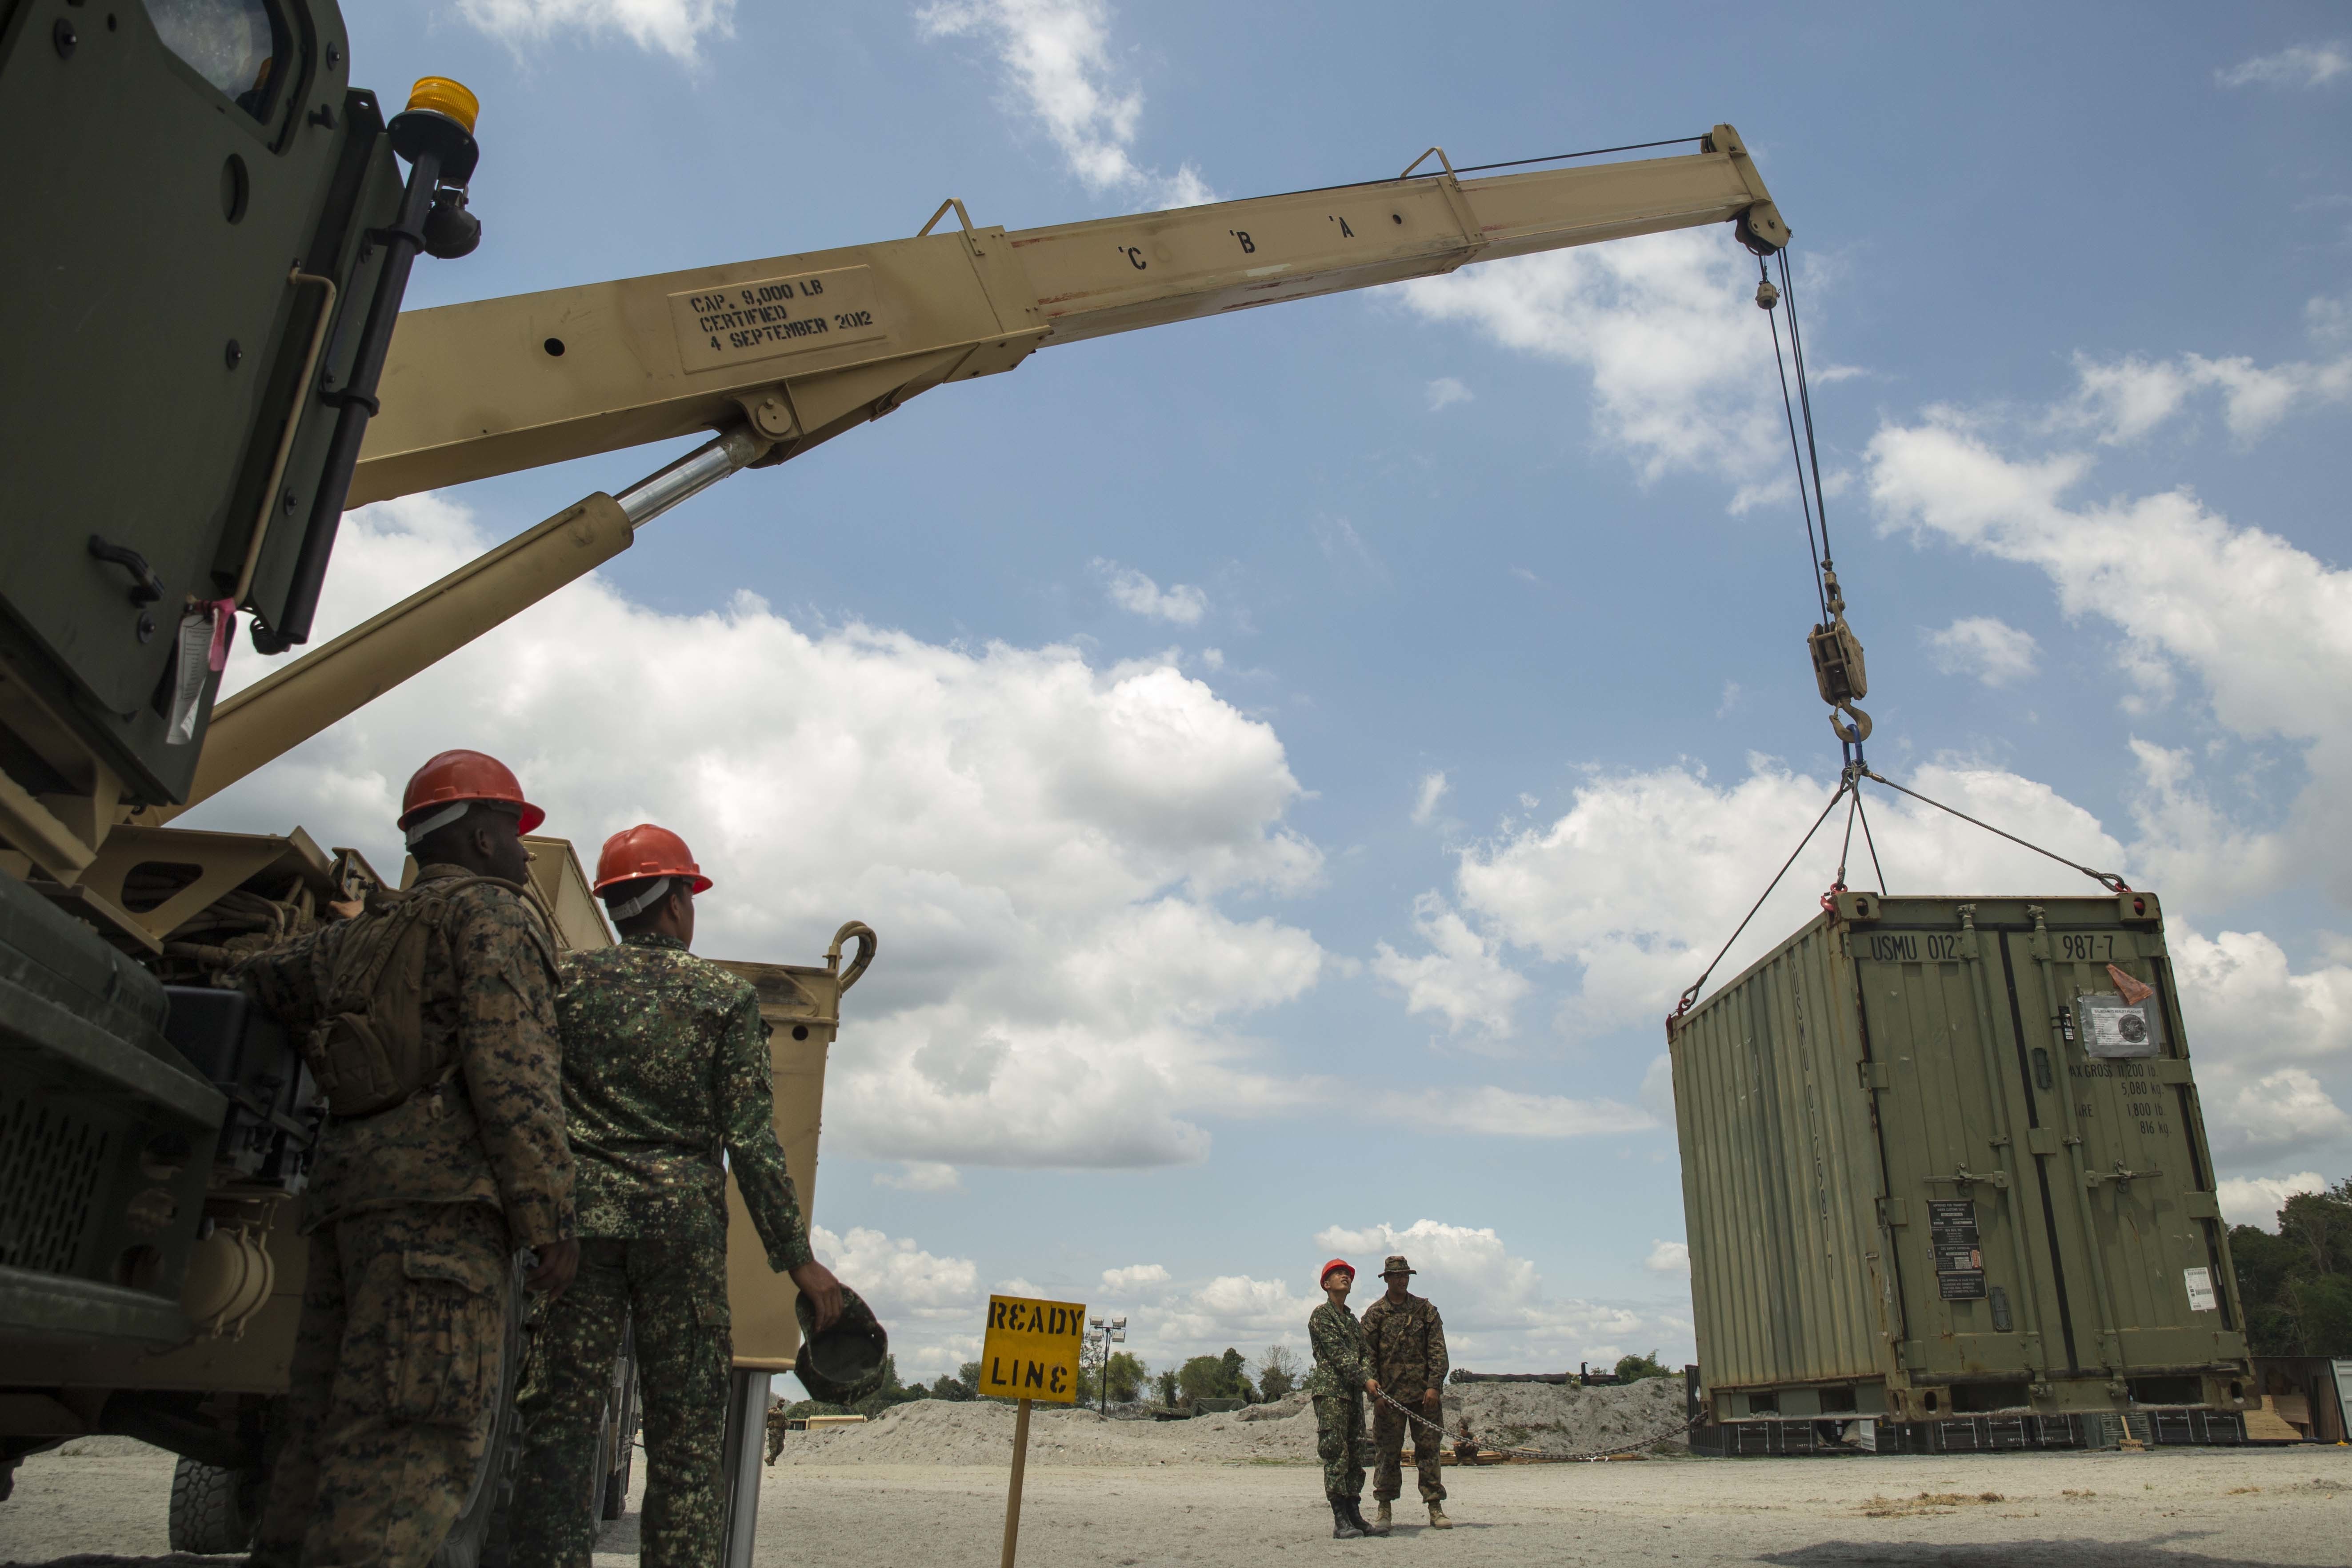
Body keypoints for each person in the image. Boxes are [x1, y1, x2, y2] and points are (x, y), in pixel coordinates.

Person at [241, 749, 577, 1568]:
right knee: (408, 1450)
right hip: (440, 1228)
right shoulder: (494, 917)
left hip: (349, 1210)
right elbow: (513, 1072)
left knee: (322, 1443)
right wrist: (549, 1219)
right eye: (512, 829)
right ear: (479, 839)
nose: (524, 851)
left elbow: (264, 978)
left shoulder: (356, 936)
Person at [512, 823, 844, 1568]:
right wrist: (800, 1263)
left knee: (558, 1435)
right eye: (690, 895)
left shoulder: (564, 982)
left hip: (575, 1236)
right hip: (680, 1237)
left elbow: (525, 1104)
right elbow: (752, 1143)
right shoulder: (721, 998)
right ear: (671, 905)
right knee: (687, 1443)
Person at [1360, 1253, 1452, 1530]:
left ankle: (1435, 1507)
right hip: (1389, 1399)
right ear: (1387, 1279)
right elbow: (1366, 1356)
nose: (1402, 1280)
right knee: (1387, 1454)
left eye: (1406, 1276)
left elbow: (1438, 1351)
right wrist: (1375, 1395)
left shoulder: (1425, 1311)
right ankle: (1384, 1509)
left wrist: (1434, 1385)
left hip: (1425, 1398)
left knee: (1429, 1452)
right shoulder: (1375, 1314)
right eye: (1397, 1276)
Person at [1305, 1259, 1379, 1540]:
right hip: (1332, 1392)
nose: (1345, 1278)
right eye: (1339, 1274)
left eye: (1348, 1274)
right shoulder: (1321, 1316)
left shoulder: (1351, 1320)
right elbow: (1339, 1355)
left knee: (1356, 1454)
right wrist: (1365, 1380)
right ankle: (1340, 1520)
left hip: (1352, 1395)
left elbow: (1363, 1354)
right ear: (1326, 1284)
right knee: (1336, 1452)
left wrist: (1368, 1378)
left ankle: (1354, 1513)